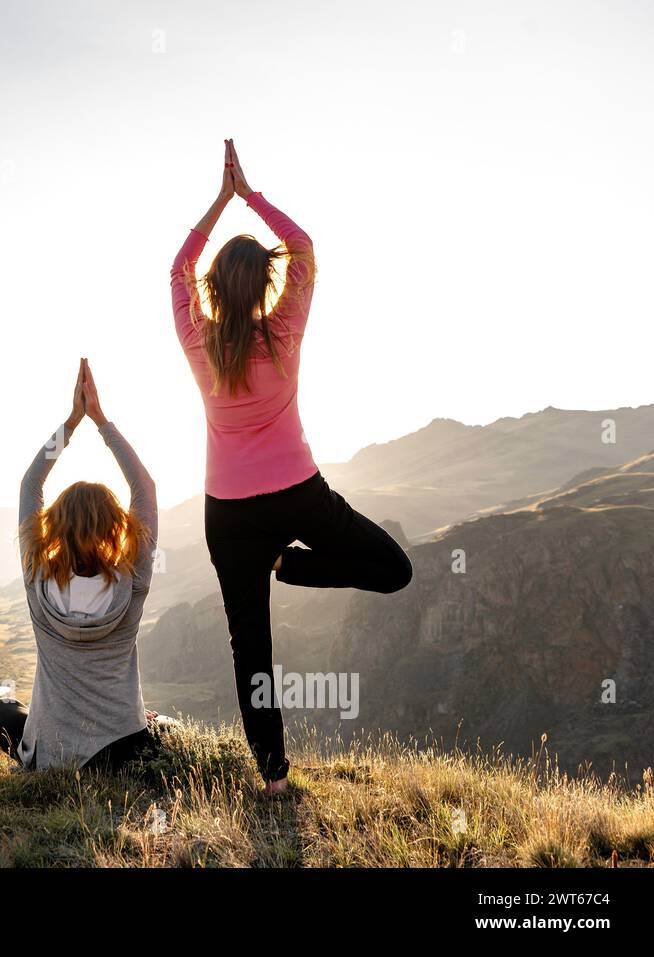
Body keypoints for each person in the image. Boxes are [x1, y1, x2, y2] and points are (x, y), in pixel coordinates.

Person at [171, 139, 412, 796]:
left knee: (251, 649)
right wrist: (250, 195)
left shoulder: (199, 344)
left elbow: (176, 271)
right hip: (300, 500)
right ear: (266, 284)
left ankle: (274, 780)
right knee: (395, 568)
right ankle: (293, 565)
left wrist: (220, 202)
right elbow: (303, 247)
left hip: (228, 515)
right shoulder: (284, 332)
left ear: (214, 287)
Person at [0, 358, 161, 773]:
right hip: (120, 751)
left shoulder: (37, 580)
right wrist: (102, 422)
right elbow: (144, 488)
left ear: (54, 528)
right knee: (161, 726)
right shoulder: (132, 582)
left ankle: (44, 746)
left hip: (51, 754)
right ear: (116, 527)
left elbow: (31, 485)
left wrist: (72, 422)